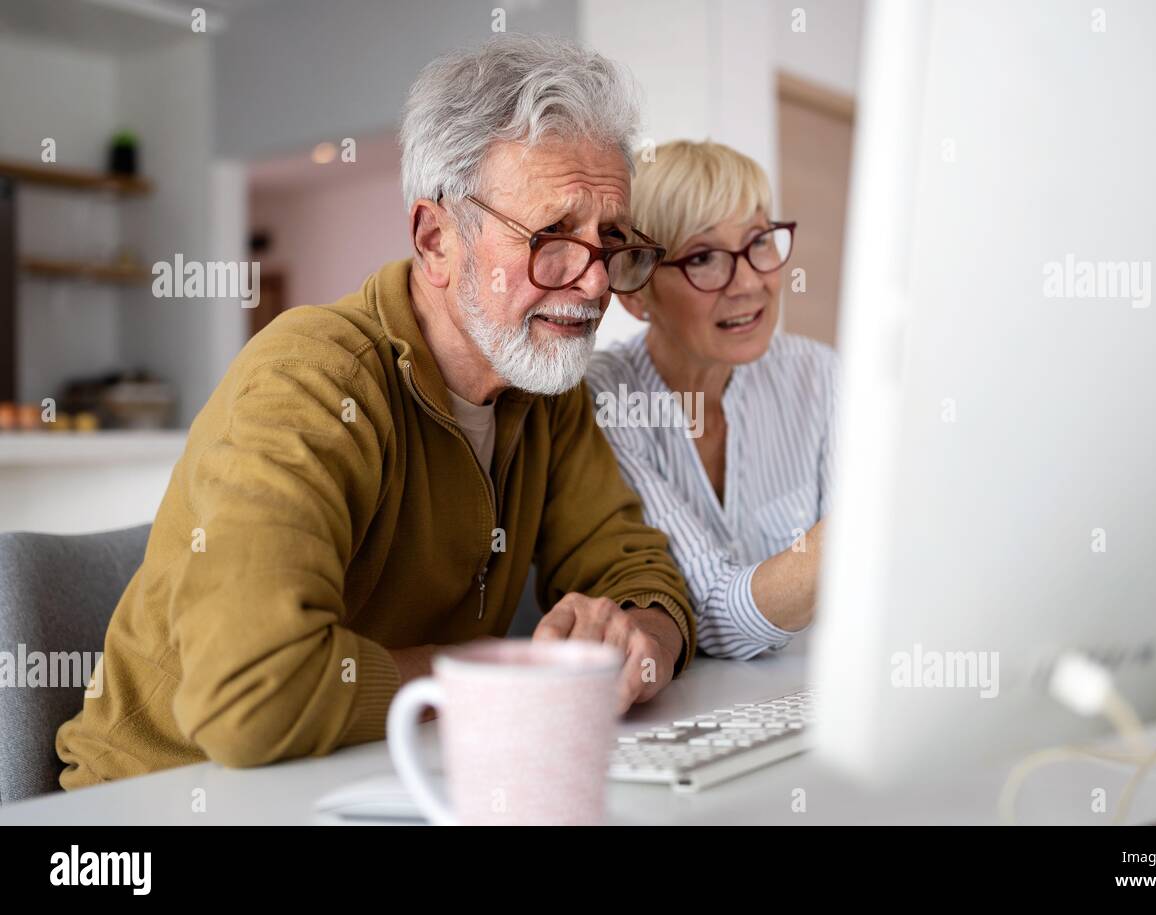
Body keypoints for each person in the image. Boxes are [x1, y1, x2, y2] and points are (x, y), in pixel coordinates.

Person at [56, 34, 696, 789]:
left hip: (383, 776)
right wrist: (511, 673)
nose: (591, 286)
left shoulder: (544, 384)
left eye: (612, 241)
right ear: (436, 240)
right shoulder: (311, 378)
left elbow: (638, 569)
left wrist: (636, 638)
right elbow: (249, 695)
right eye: (552, 238)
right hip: (166, 797)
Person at [586, 140, 836, 660]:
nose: (749, 283)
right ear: (636, 291)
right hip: (684, 715)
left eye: (760, 242)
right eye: (703, 258)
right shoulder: (603, 400)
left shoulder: (820, 376)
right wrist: (874, 518)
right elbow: (713, 615)